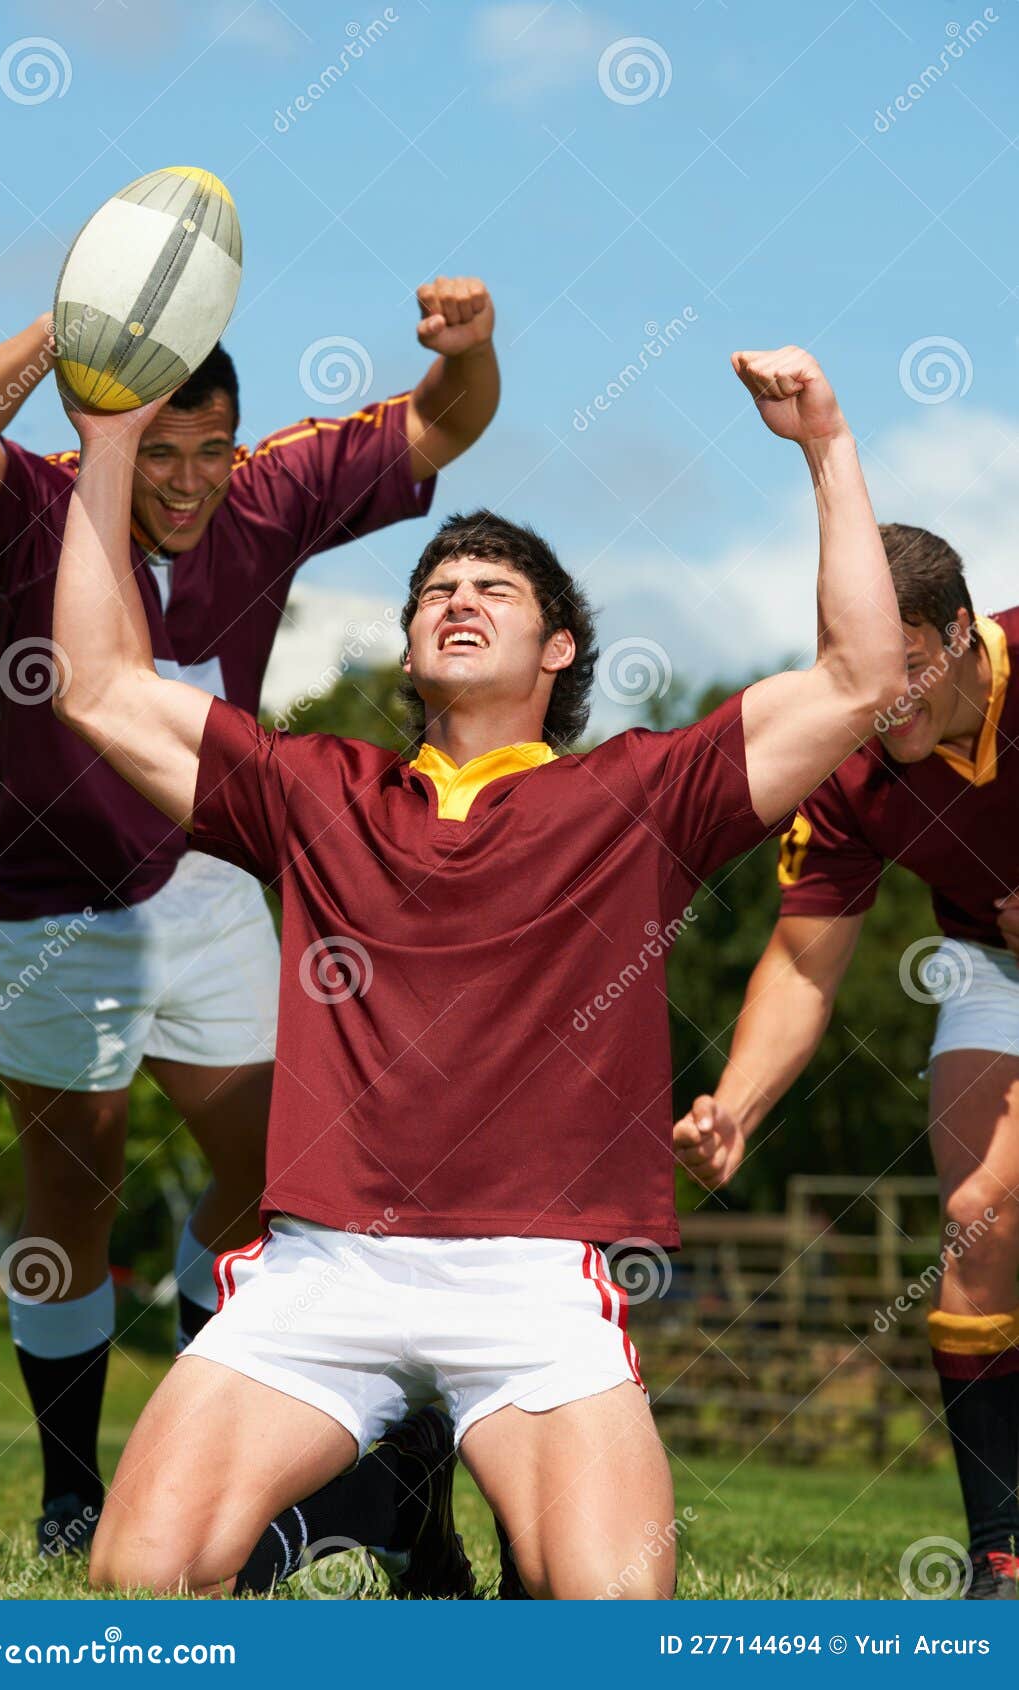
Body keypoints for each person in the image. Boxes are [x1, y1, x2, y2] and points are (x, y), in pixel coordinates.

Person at [50, 344, 903, 1599]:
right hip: (325, 1268)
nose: (456, 596)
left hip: (529, 1280)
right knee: (142, 1580)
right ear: (404, 649)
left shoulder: (640, 795)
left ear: (558, 651)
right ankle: (399, 1492)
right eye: (434, 587)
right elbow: (98, 684)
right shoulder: (315, 788)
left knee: (609, 1616)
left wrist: (824, 445)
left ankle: (423, 1494)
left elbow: (859, 680)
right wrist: (110, 441)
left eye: (493, 588)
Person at [0, 277, 499, 1561]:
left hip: (205, 889)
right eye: (159, 451)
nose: (188, 483)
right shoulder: (37, 503)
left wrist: (472, 350)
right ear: (115, 433)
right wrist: (67, 336)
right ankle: (70, 1488)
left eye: (210, 449)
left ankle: (214, 1463)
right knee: (71, 1203)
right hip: (49, 907)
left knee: (277, 1180)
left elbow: (446, 422)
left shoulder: (271, 495)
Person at [674, 525, 1019, 1601]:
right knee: (975, 1217)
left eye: (907, 660)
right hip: (988, 959)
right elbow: (802, 963)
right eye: (864, 666)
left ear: (961, 634)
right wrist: (732, 1107)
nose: (887, 695)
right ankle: (998, 1557)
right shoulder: (845, 764)